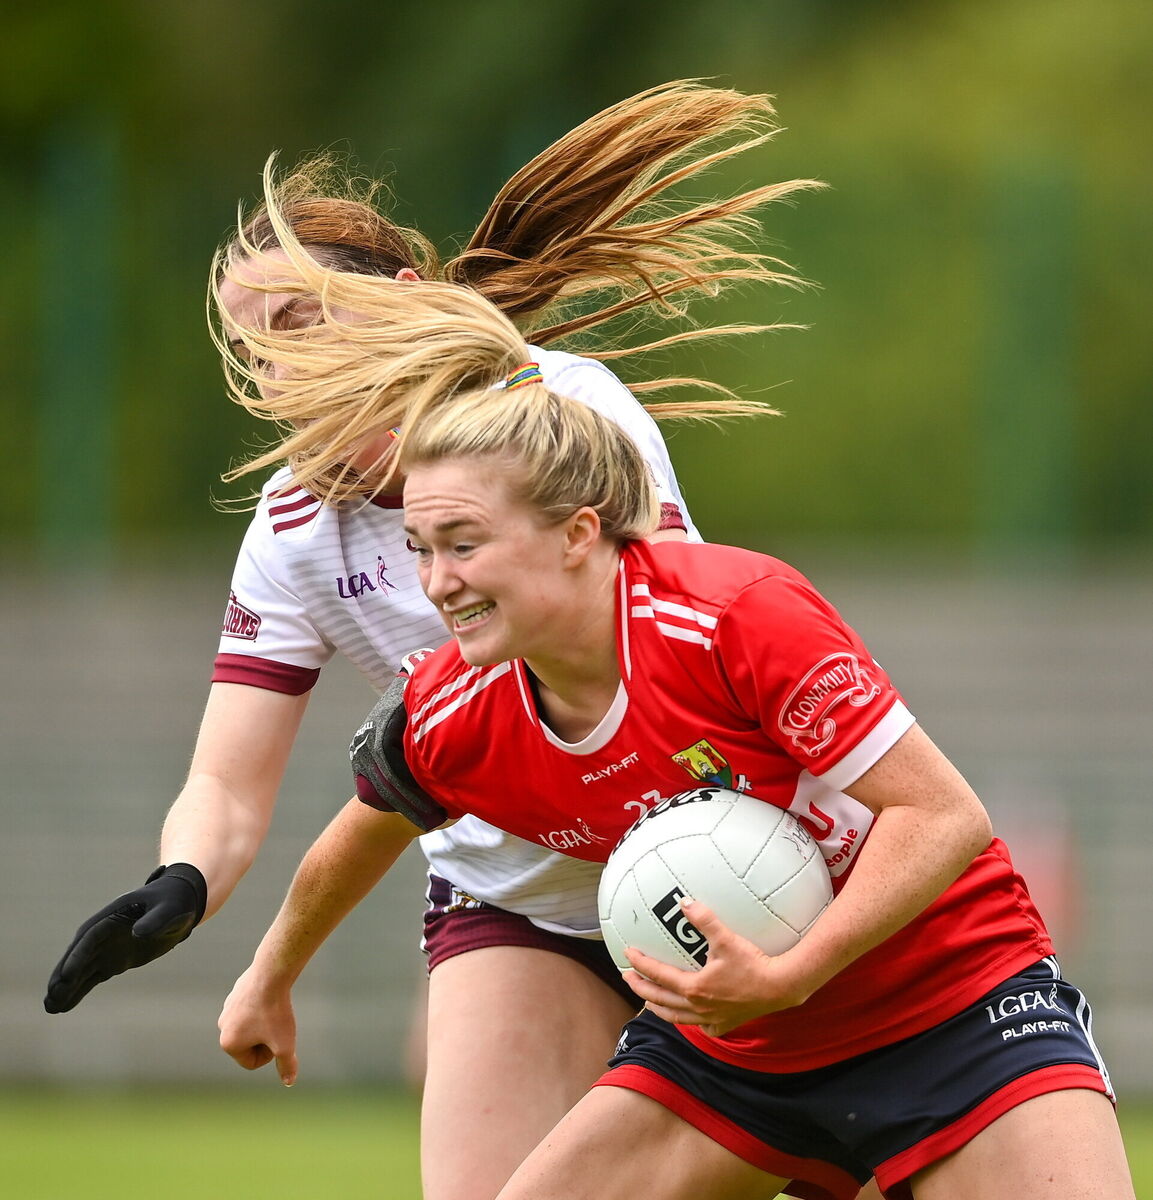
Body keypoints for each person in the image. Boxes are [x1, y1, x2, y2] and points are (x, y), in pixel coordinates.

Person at [44, 81, 849, 1200]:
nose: (276, 367)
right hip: (515, 899)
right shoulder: (291, 529)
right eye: (253, 344)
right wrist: (180, 880)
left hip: (724, 864)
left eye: (298, 320)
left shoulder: (561, 407)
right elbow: (227, 787)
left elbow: (642, 641)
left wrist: (412, 751)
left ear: (402, 303)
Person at [214, 278, 1135, 1200]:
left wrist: (788, 972)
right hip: (726, 1053)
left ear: (577, 533)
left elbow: (942, 817)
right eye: (417, 547)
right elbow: (368, 826)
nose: (435, 585)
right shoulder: (454, 705)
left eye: (461, 543)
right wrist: (268, 975)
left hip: (946, 1013)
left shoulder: (731, 615)